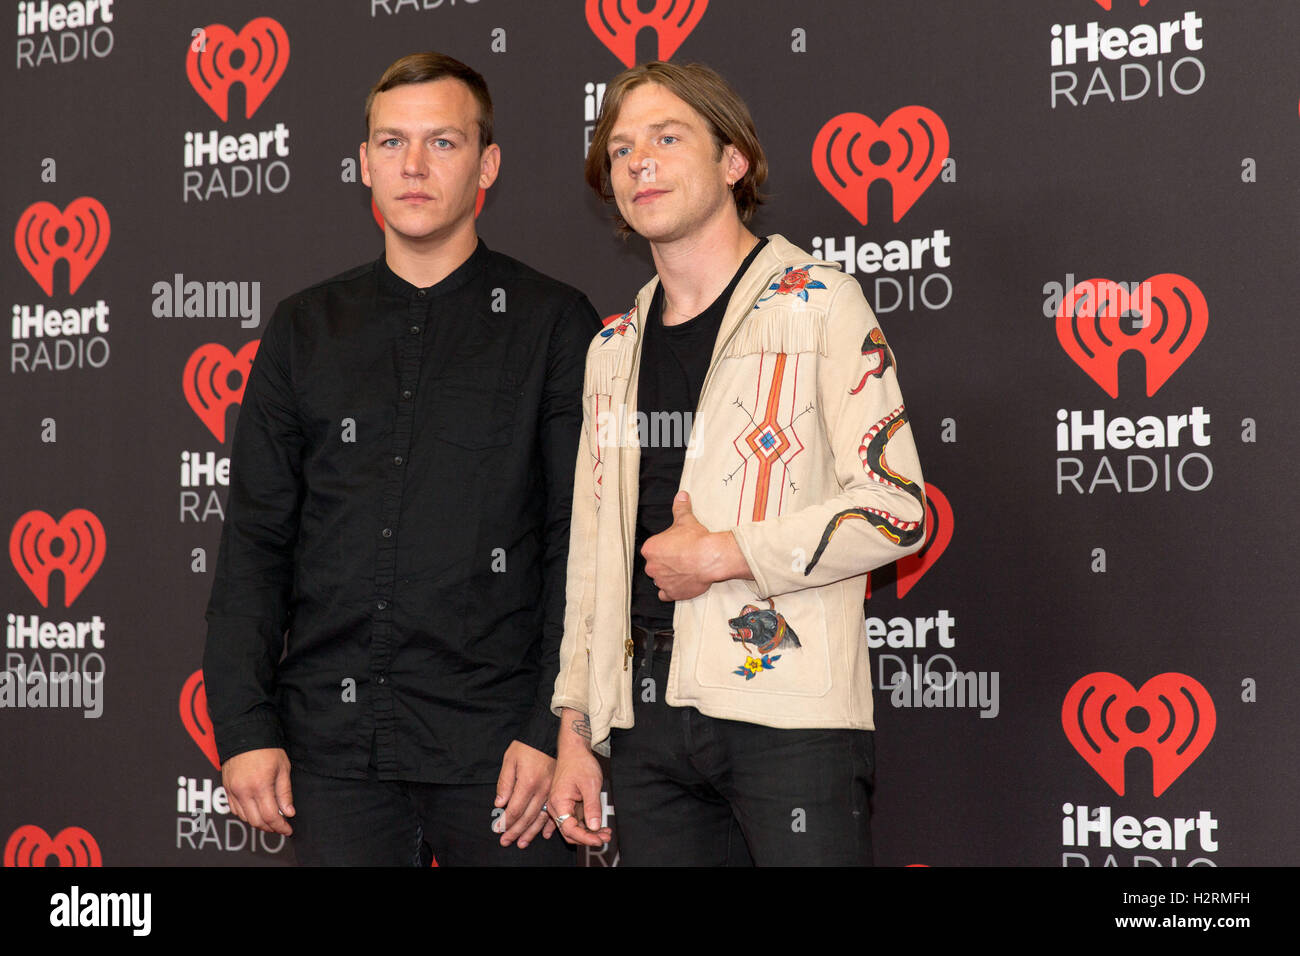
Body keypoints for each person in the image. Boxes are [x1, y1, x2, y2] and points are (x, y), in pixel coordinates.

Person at [203, 52, 599, 866]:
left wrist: (550, 726)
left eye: (442, 143)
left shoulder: (554, 324)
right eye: (391, 143)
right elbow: (255, 543)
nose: (412, 166)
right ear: (363, 164)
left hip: (502, 758)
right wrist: (244, 728)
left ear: (487, 163)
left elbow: (578, 546)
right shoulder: (303, 327)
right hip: (330, 756)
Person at [548, 62, 927, 865]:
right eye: (619, 150)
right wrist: (577, 729)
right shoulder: (611, 348)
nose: (639, 161)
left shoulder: (819, 302)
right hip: (644, 720)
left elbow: (898, 509)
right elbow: (592, 559)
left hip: (790, 718)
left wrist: (724, 555)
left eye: (666, 137)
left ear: (733, 161)